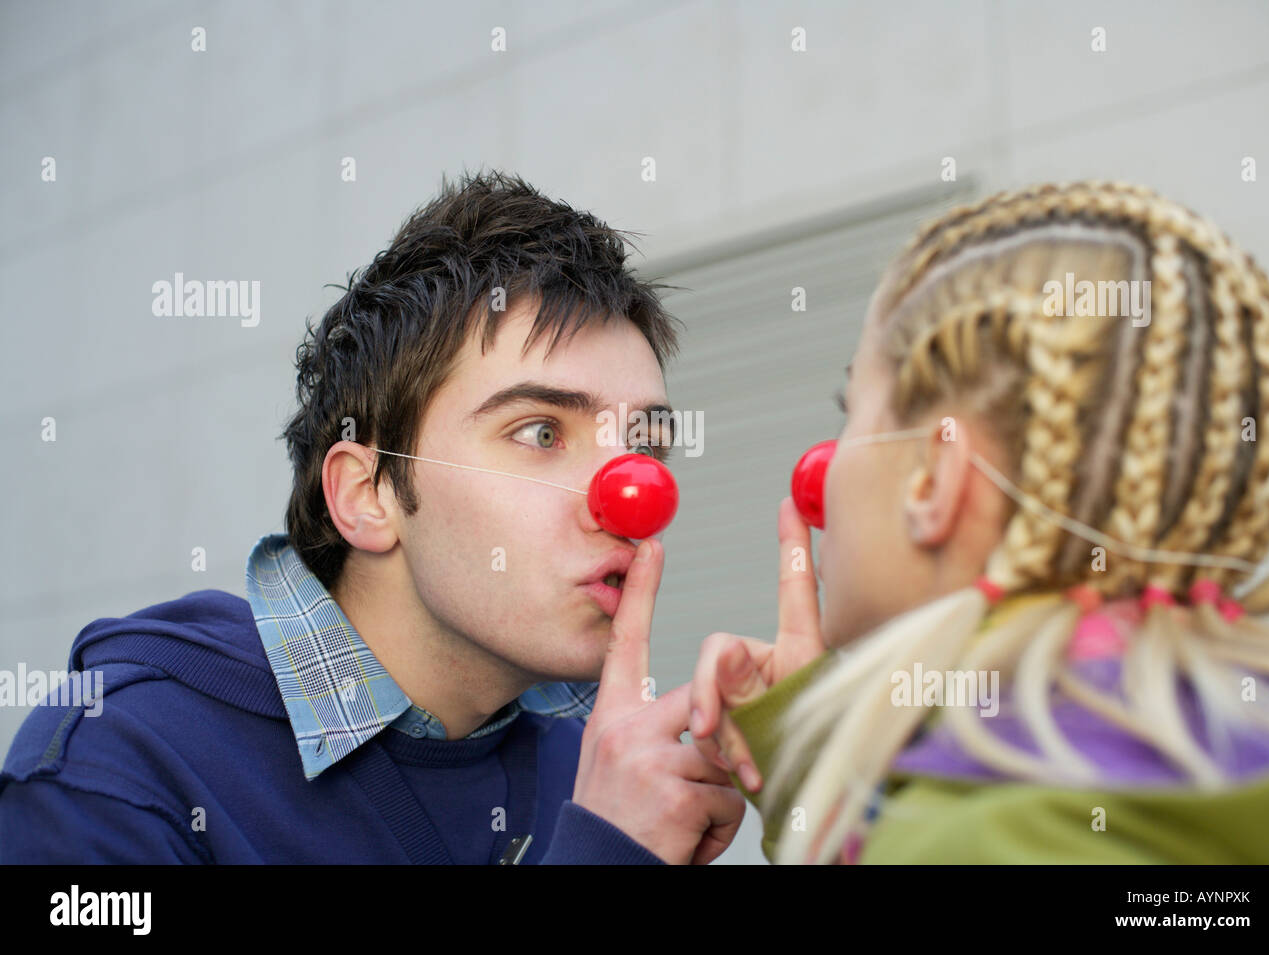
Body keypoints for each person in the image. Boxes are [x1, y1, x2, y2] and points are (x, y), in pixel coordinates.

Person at [0, 171, 745, 864]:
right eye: (542, 432)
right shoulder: (121, 764)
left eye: (645, 443)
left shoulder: (593, 767)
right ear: (366, 494)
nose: (631, 494)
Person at [690, 180, 1269, 864]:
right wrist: (805, 745)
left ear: (933, 480)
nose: (823, 469)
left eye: (851, 405)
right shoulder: (1245, 749)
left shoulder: (972, 836)